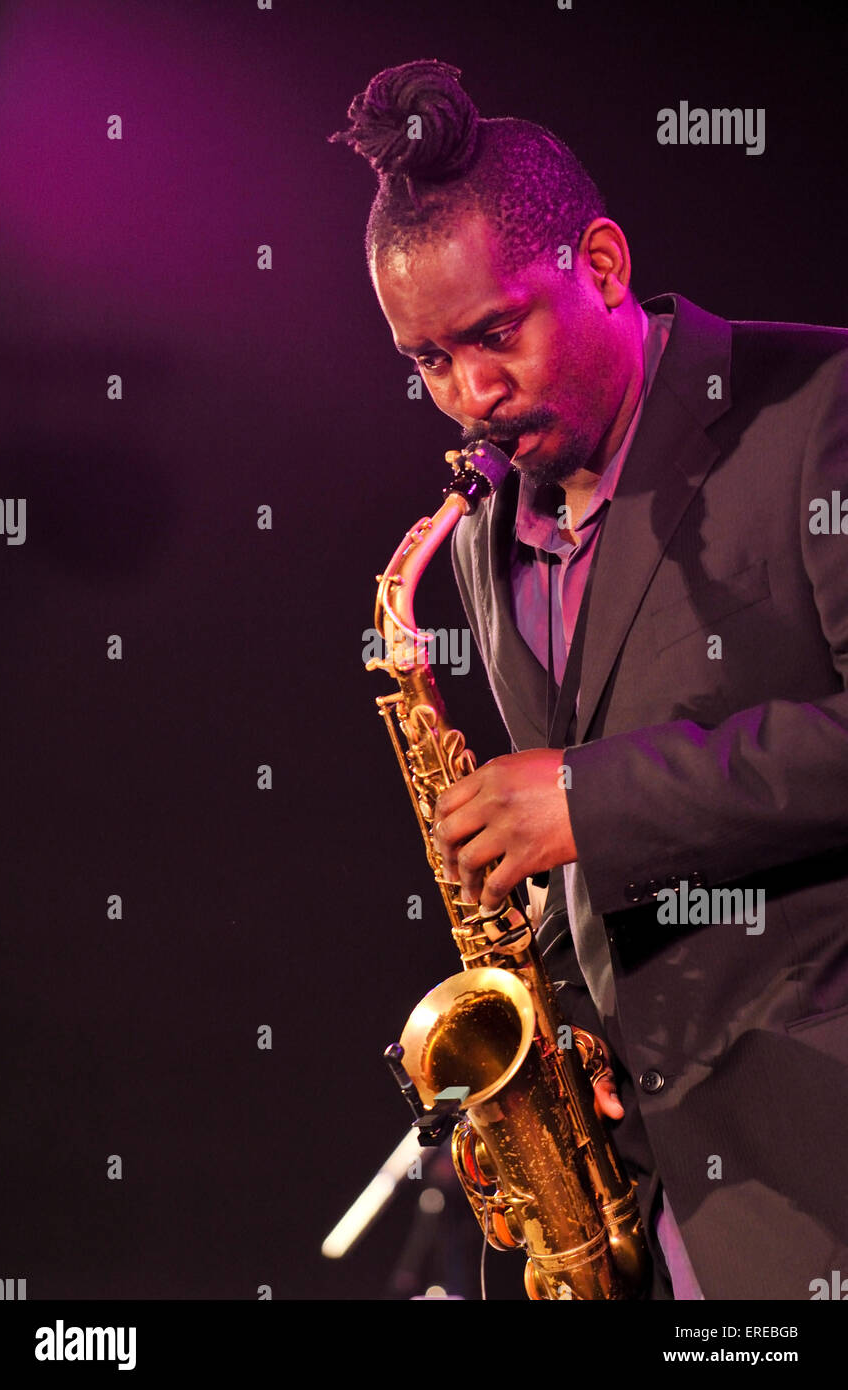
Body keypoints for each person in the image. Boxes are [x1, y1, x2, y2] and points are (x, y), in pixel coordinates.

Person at [331, 59, 848, 1300]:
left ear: (600, 267)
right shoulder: (471, 539)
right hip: (658, 1199)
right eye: (429, 364)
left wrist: (591, 799)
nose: (470, 397)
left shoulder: (814, 405)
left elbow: (597, 802)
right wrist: (557, 1032)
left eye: (494, 335)